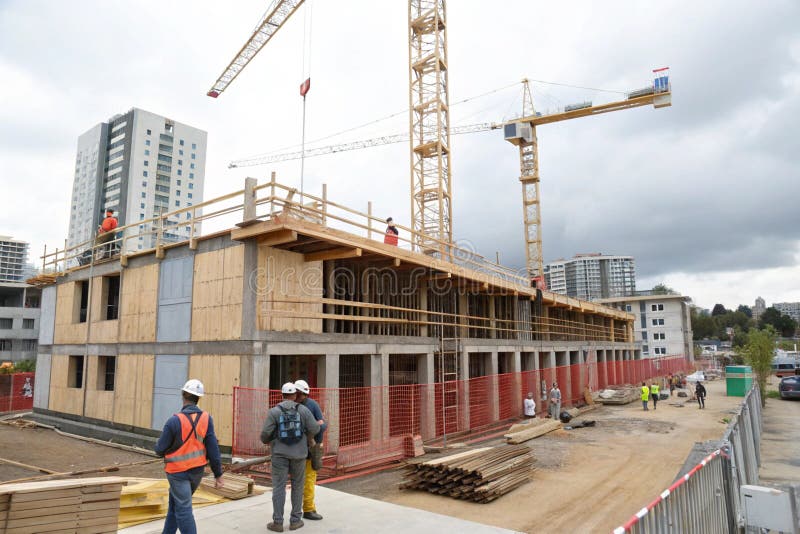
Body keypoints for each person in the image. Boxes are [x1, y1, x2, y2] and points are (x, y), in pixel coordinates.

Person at [154, 379, 224, 534]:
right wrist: (218, 474)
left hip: (177, 472)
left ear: (183, 395)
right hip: (196, 472)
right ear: (198, 398)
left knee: (183, 509)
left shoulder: (174, 421)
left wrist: (158, 444)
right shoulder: (206, 418)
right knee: (175, 505)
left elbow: (159, 450)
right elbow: (213, 449)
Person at [261, 382, 320, 532]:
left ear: (282, 395)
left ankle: (278, 522)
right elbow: (315, 428)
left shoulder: (274, 412)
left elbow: (264, 435)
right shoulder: (304, 410)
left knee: (279, 487)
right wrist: (308, 437)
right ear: (295, 395)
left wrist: (271, 440)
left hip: (279, 455)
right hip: (299, 455)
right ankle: (295, 520)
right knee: (298, 486)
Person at [293, 379, 327, 521]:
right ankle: (307, 510)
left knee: (308, 479)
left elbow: (323, 425)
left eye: (299, 394)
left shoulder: (311, 405)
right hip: (297, 449)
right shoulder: (293, 406)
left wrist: (314, 433)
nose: (298, 396)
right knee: (301, 480)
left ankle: (307, 508)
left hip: (310, 450)